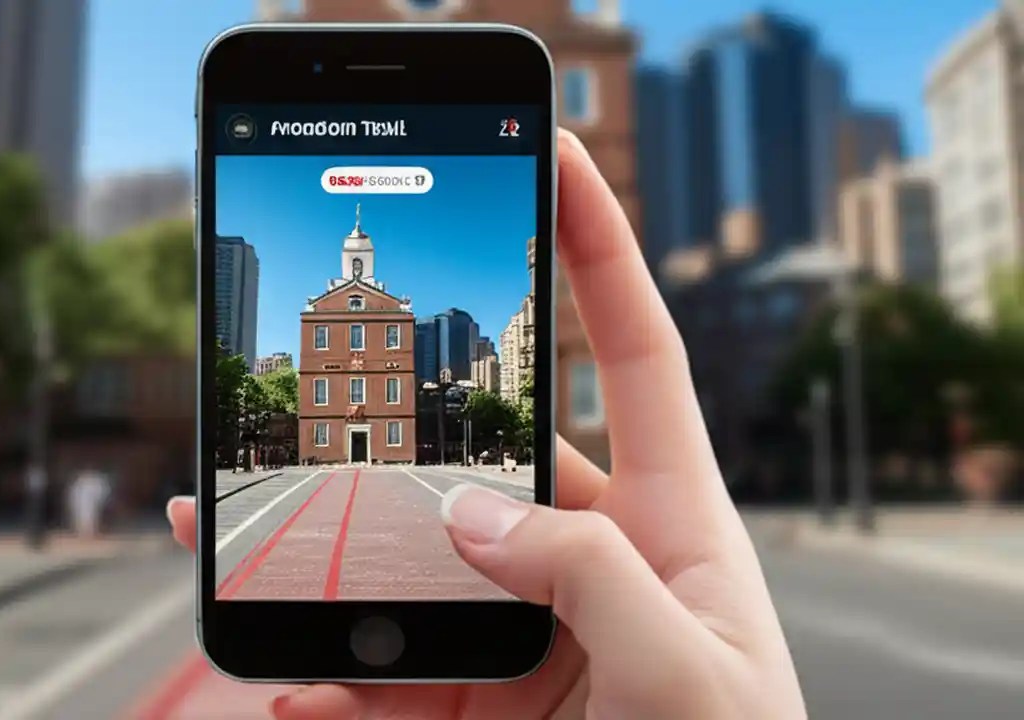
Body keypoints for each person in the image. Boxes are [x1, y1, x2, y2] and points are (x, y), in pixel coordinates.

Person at [164, 131, 807, 719]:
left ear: (368, 260)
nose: (358, 273)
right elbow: (318, 375)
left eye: (362, 264)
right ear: (347, 260)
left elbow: (395, 376)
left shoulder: (390, 309)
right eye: (354, 263)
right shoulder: (322, 309)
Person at [68, 466, 110, 538]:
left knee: (91, 515)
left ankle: (91, 532)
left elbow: (102, 493)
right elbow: (74, 496)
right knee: (83, 515)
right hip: (83, 503)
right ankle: (83, 532)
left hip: (90, 502)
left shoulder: (96, 482)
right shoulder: (80, 483)